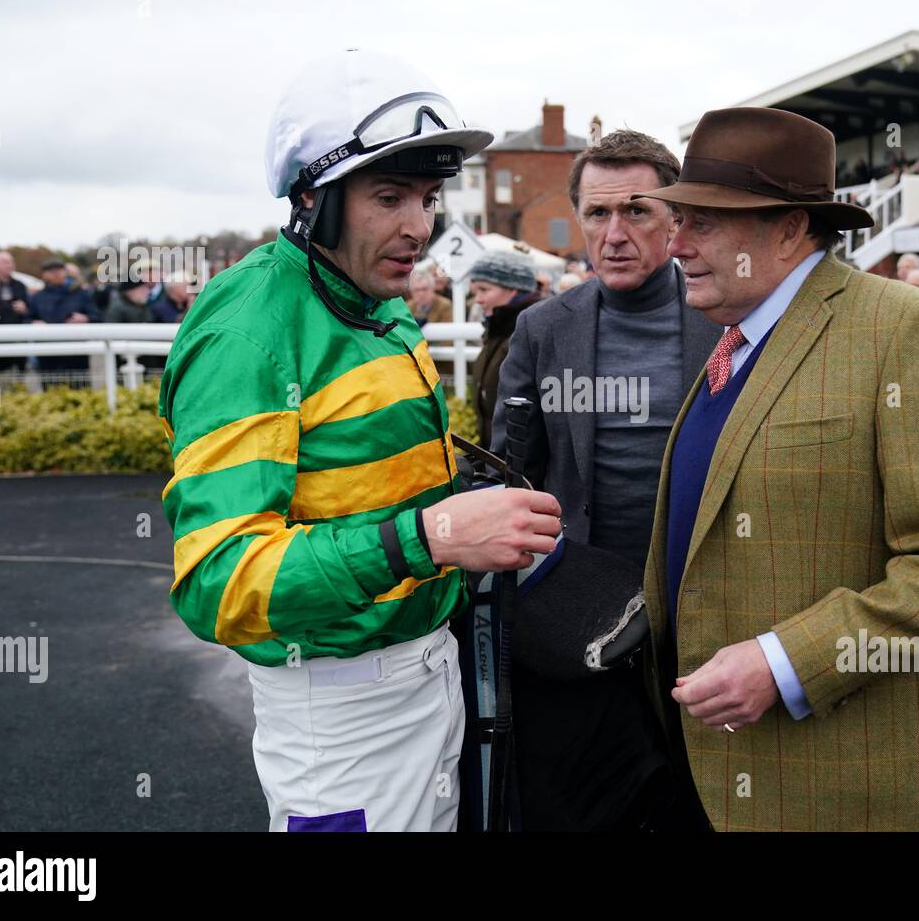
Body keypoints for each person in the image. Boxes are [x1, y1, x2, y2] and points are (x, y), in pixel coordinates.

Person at [158, 49, 561, 833]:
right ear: (312, 199)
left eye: (427, 195)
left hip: (430, 671)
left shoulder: (380, 302)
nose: (419, 225)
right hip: (337, 712)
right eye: (388, 197)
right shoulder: (249, 334)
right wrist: (431, 535)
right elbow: (218, 581)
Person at [631, 107, 919, 831]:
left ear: (790, 229)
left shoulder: (907, 327)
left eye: (704, 222)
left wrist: (784, 662)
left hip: (855, 785)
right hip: (725, 769)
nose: (677, 244)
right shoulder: (735, 341)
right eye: (679, 219)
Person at [489, 128, 722, 831]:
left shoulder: (731, 320)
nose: (614, 234)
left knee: (700, 796)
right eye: (597, 214)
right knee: (594, 801)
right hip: (583, 608)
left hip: (708, 600)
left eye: (637, 212)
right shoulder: (541, 328)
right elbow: (507, 471)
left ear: (675, 219)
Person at [467, 250, 541, 445]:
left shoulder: (530, 338)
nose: (478, 300)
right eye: (476, 292)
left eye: (484, 290)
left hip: (520, 469)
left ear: (513, 289)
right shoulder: (496, 333)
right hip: (499, 466)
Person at [29, 258, 100, 377]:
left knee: (80, 390)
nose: (56, 274)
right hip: (48, 354)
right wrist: (34, 323)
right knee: (51, 391)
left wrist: (85, 318)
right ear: (44, 274)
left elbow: (97, 316)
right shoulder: (37, 298)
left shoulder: (81, 294)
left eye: (59, 270)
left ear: (65, 272)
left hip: (76, 353)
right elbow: (27, 319)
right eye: (52, 271)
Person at [0, 251, 29, 318]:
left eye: (11, 262)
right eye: (5, 262)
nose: (10, 265)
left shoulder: (20, 285)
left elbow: (29, 309)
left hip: (15, 325)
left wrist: (24, 309)